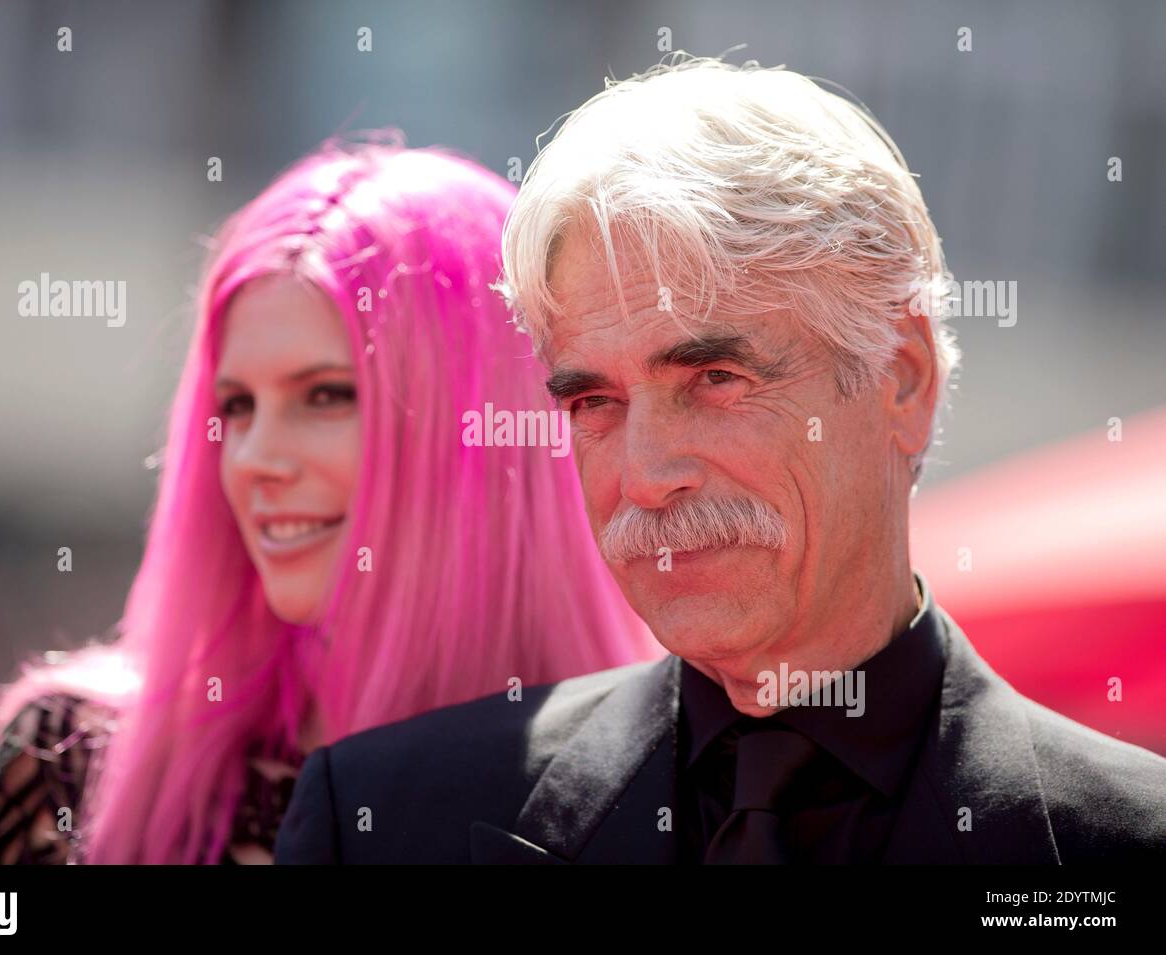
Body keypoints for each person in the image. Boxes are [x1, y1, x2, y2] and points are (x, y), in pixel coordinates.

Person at [275, 59, 1166, 864]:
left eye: (715, 378)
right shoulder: (380, 820)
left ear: (903, 380)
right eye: (595, 403)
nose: (648, 472)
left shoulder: (1123, 843)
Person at [0, 136, 658, 865]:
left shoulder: (671, 802)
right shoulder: (67, 767)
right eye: (238, 405)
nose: (254, 461)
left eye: (326, 396)